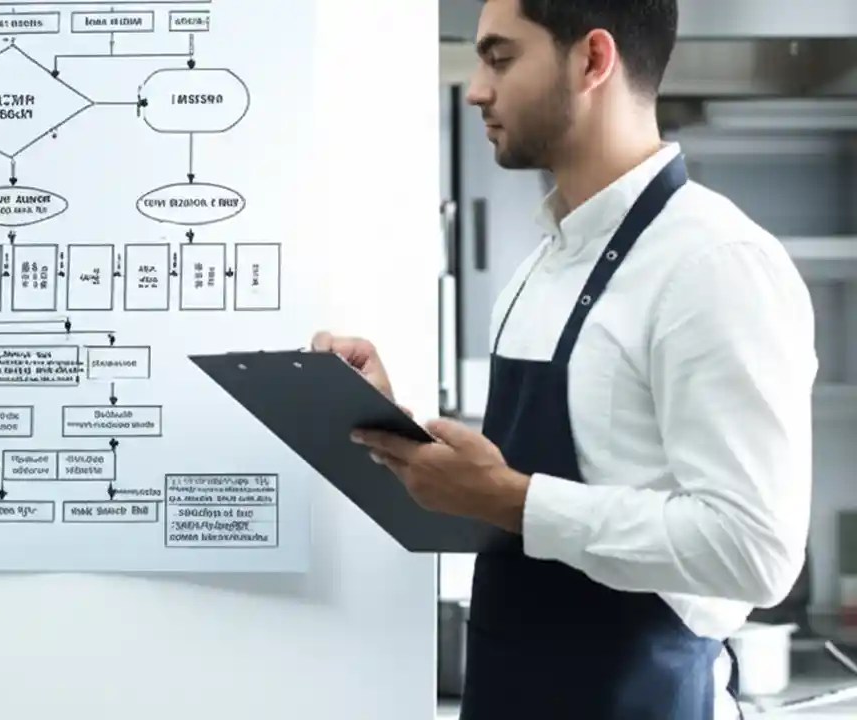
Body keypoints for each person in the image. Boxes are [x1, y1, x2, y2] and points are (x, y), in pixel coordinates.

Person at [314, 0, 818, 718]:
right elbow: (517, 499)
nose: (476, 89)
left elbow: (755, 551)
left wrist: (510, 498)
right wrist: (394, 433)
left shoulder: (714, 263)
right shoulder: (537, 271)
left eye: (500, 58)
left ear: (592, 59)